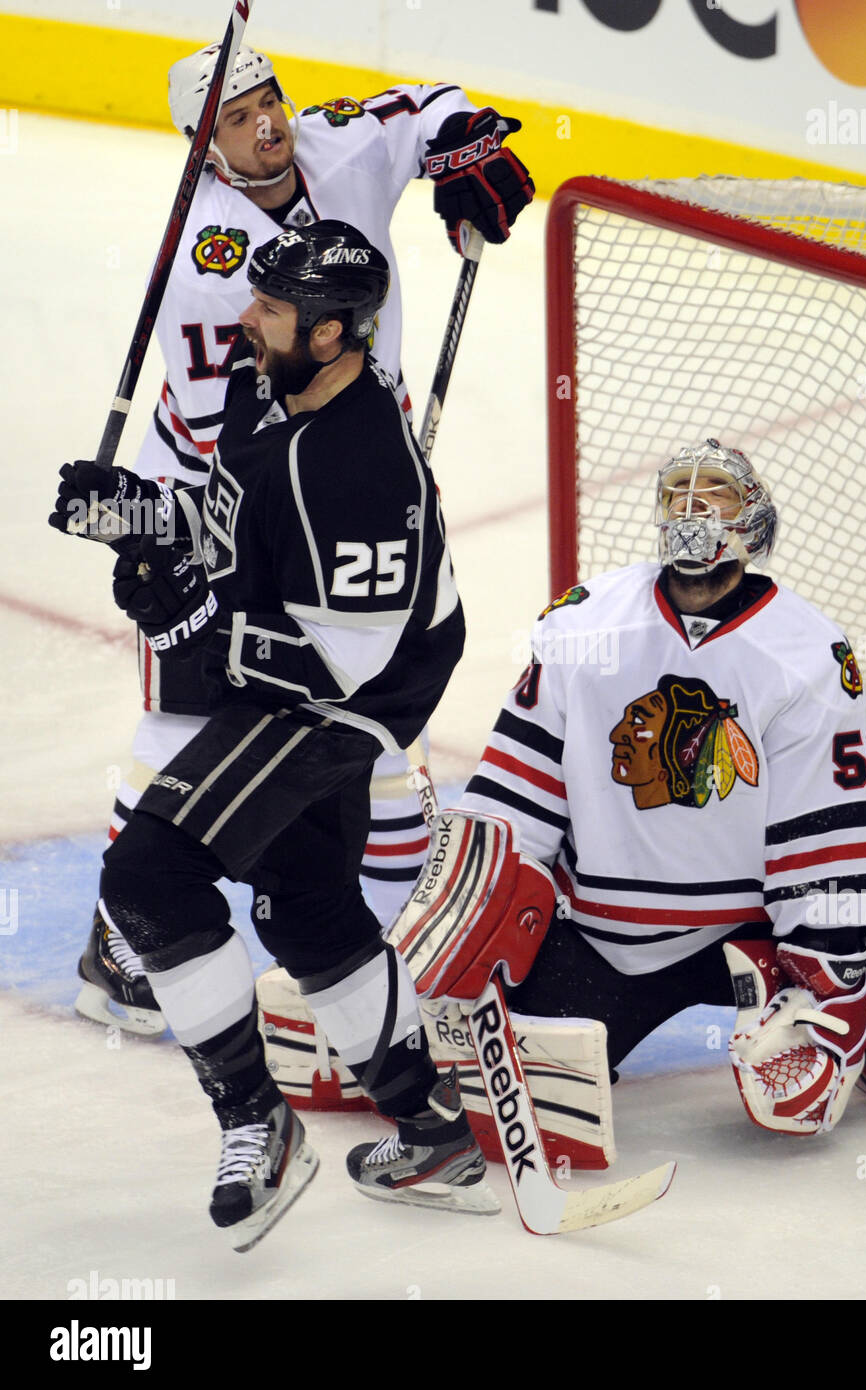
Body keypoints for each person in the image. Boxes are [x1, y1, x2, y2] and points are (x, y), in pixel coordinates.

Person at [50, 222, 498, 1250]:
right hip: (301, 673)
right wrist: (137, 517)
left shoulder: (364, 467)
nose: (246, 320)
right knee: (307, 909)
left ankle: (257, 1117)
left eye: (271, 311)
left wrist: (191, 625)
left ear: (334, 333)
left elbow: (342, 662)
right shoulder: (267, 389)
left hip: (347, 700)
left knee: (149, 881)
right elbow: (225, 524)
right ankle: (431, 1131)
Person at [74, 43, 534, 1034]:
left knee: (367, 718)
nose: (267, 124)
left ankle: (376, 955)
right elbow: (225, 441)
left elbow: (422, 108)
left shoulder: (336, 142)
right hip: (228, 482)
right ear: (204, 146)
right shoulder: (206, 260)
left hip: (349, 468)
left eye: (268, 101)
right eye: (237, 118)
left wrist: (464, 151)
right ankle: (122, 939)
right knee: (191, 713)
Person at [393, 439, 866, 1143]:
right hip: (610, 941)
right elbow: (516, 795)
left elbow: (822, 840)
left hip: (755, 937)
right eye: (677, 497)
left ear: (752, 522)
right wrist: (476, 904)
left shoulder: (807, 654)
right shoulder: (584, 623)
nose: (693, 510)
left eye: (716, 495)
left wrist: (834, 987)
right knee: (527, 1082)